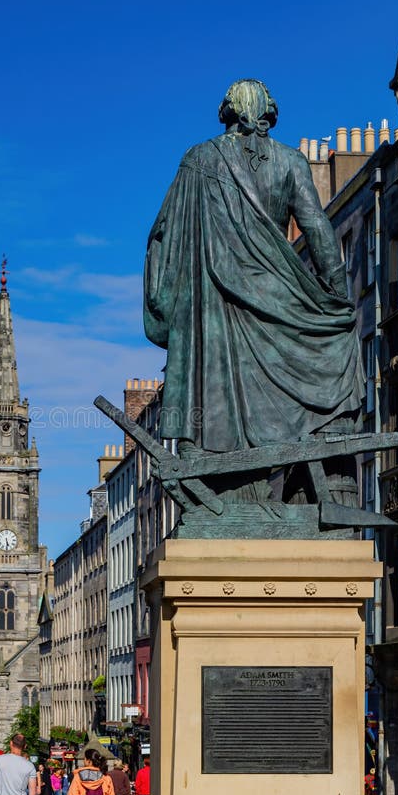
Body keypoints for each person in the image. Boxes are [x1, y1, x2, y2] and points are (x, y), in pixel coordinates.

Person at [144, 78, 363, 503]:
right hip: (276, 295)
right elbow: (316, 226)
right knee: (337, 337)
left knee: (216, 378)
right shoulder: (289, 161)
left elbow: (165, 235)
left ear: (228, 112)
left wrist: (167, 296)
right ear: (269, 113)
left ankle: (237, 470)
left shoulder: (198, 159)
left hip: (216, 302)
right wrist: (338, 295)